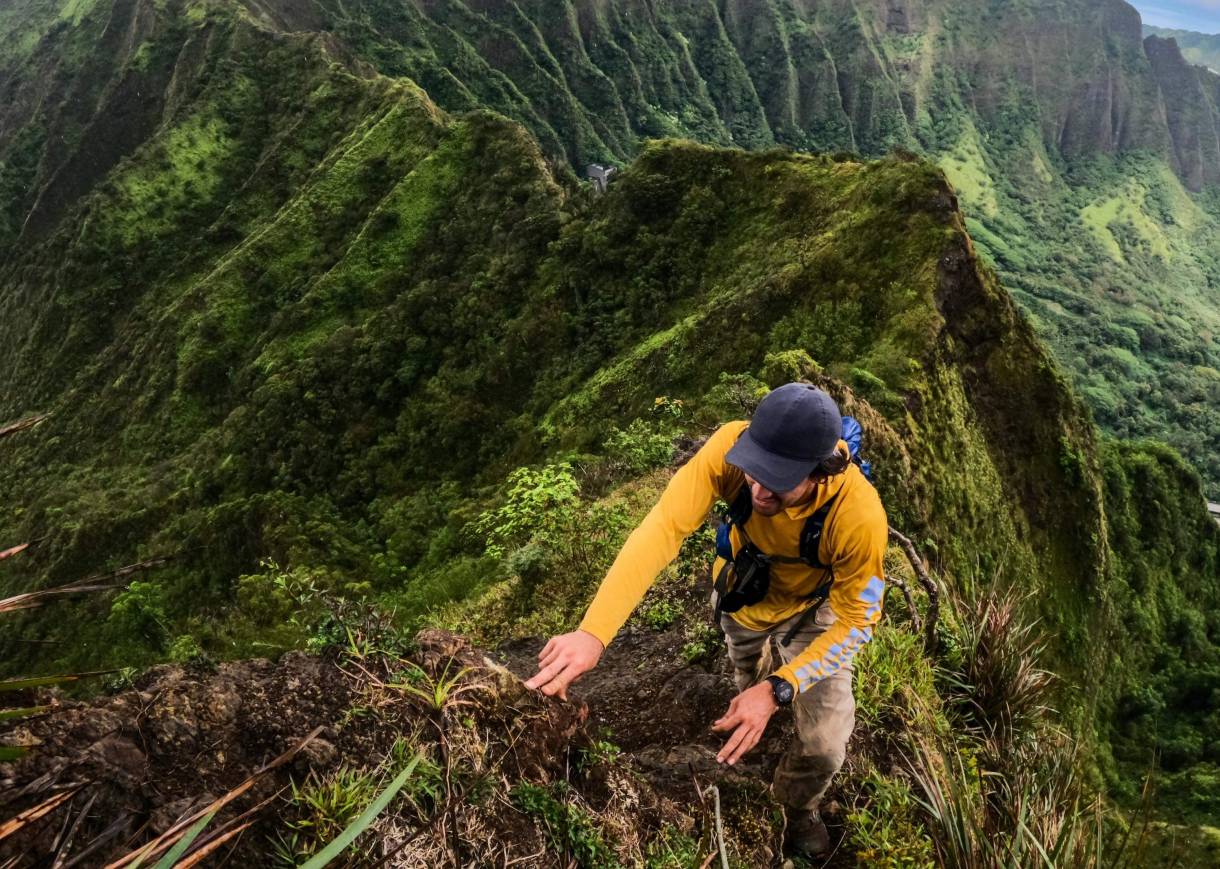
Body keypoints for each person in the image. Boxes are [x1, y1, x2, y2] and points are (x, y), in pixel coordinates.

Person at [525, 383, 888, 856]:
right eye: (756, 468)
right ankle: (752, 697)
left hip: (814, 613)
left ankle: (798, 807)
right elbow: (662, 528)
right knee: (746, 667)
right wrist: (594, 632)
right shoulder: (729, 447)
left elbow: (858, 620)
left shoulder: (858, 515)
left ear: (820, 473)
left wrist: (780, 688)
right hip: (743, 593)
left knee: (825, 746)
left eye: (778, 479)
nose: (759, 488)